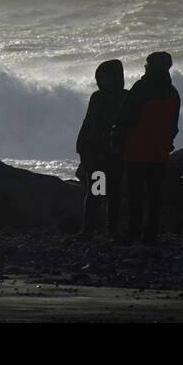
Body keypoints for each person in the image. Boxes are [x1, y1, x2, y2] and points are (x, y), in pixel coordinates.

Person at [113, 51, 180, 244]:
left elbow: (125, 117)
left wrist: (116, 138)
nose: (145, 67)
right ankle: (151, 233)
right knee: (154, 195)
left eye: (148, 64)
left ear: (153, 66)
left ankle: (133, 232)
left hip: (136, 150)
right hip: (159, 152)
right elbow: (173, 125)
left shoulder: (142, 87)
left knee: (135, 194)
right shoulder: (172, 92)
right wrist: (168, 143)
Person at [75, 59, 127, 238]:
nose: (101, 81)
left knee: (112, 194)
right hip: (97, 156)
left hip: (112, 155)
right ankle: (90, 229)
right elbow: (88, 124)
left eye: (105, 77)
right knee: (97, 192)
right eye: (100, 78)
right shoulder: (99, 97)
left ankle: (109, 230)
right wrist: (81, 146)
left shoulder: (122, 97)